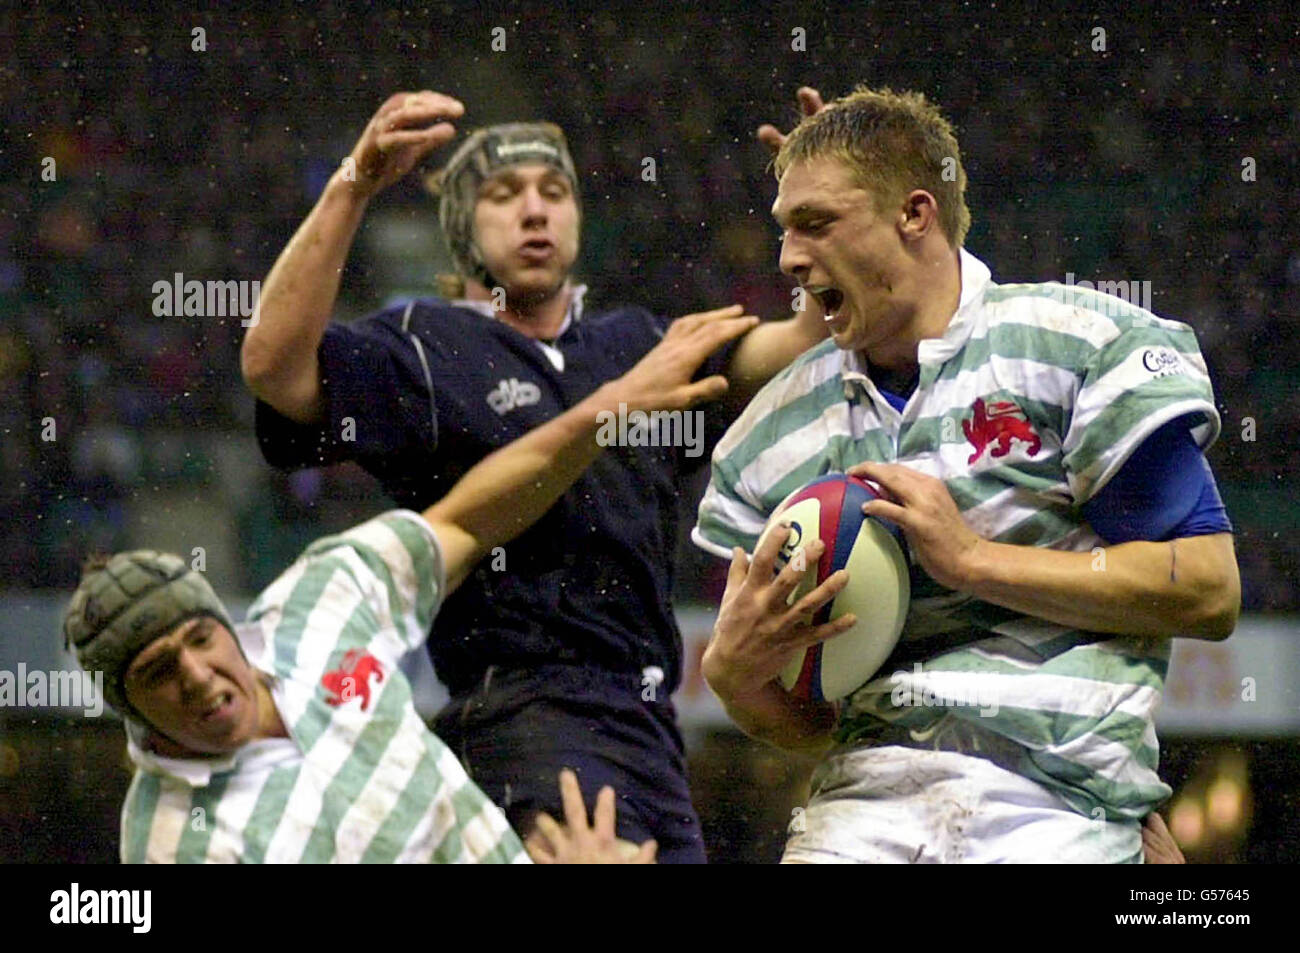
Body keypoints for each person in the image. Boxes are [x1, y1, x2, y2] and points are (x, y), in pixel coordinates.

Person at [238, 90, 828, 861]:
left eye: (554, 192)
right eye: (502, 194)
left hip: (650, 725)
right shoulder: (420, 343)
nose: (534, 210)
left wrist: (817, 209)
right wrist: (352, 186)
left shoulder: (638, 341)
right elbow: (274, 368)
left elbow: (807, 344)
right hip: (522, 715)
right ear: (462, 231)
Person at [694, 85, 1241, 863]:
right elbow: (808, 726)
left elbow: (1208, 589)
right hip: (863, 808)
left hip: (1058, 801)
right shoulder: (767, 440)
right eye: (784, 229)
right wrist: (737, 682)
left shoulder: (1078, 347)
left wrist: (975, 561)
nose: (787, 257)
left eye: (816, 223)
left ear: (915, 214)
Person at [64, 308, 749, 863]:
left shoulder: (317, 606)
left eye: (198, 638)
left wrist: (607, 408)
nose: (194, 672)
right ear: (130, 707)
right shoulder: (172, 846)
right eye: (157, 671)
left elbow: (470, 518)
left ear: (225, 626)